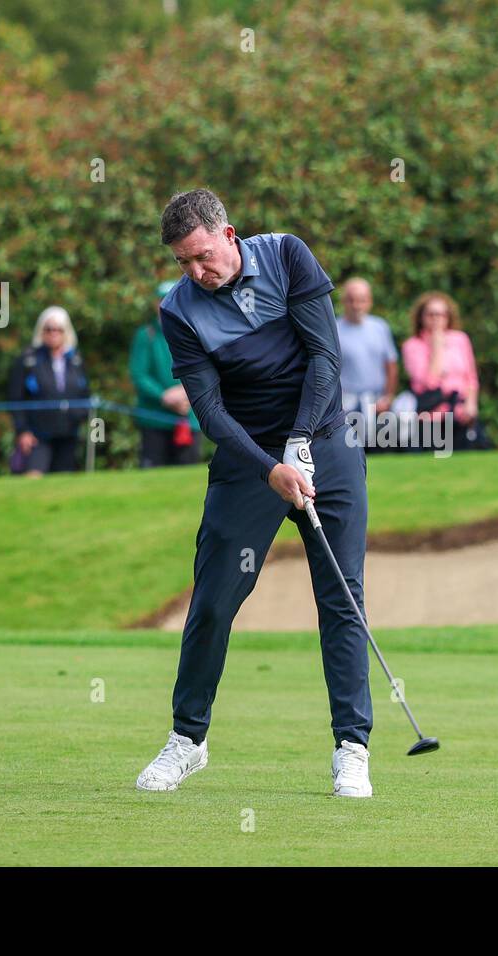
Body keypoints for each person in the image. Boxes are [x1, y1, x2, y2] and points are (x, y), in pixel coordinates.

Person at [137, 188, 375, 798]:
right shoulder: (180, 310)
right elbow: (211, 411)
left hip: (324, 443)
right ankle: (187, 741)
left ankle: (352, 746)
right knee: (214, 599)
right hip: (249, 461)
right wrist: (271, 466)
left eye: (202, 256)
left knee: (343, 598)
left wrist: (300, 442)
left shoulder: (289, 257)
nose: (195, 272)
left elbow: (325, 357)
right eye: (182, 263)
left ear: (229, 233)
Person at [6, 307, 91, 476]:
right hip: (37, 436)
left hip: (68, 434)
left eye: (59, 329)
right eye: (49, 329)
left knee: (64, 482)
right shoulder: (28, 360)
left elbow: (85, 394)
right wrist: (22, 431)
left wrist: (80, 417)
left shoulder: (75, 360)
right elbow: (15, 398)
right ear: (41, 331)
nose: (53, 333)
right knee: (33, 477)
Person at [401, 291, 487, 450]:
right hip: (430, 417)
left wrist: (471, 403)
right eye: (431, 314)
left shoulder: (460, 340)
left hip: (460, 412)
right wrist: (436, 347)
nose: (436, 319)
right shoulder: (412, 345)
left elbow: (470, 377)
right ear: (421, 317)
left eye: (441, 314)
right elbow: (429, 383)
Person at [130, 281, 201, 467]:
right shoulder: (146, 335)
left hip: (189, 416)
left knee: (186, 474)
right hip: (155, 418)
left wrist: (185, 392)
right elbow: (139, 374)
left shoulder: (196, 331)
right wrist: (164, 396)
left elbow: (206, 369)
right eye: (163, 299)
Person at [336, 277, 398, 452]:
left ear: (369, 301)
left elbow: (391, 365)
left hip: (378, 400)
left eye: (361, 300)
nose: (356, 305)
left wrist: (388, 397)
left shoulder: (380, 327)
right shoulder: (334, 328)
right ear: (344, 302)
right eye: (351, 300)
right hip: (346, 402)